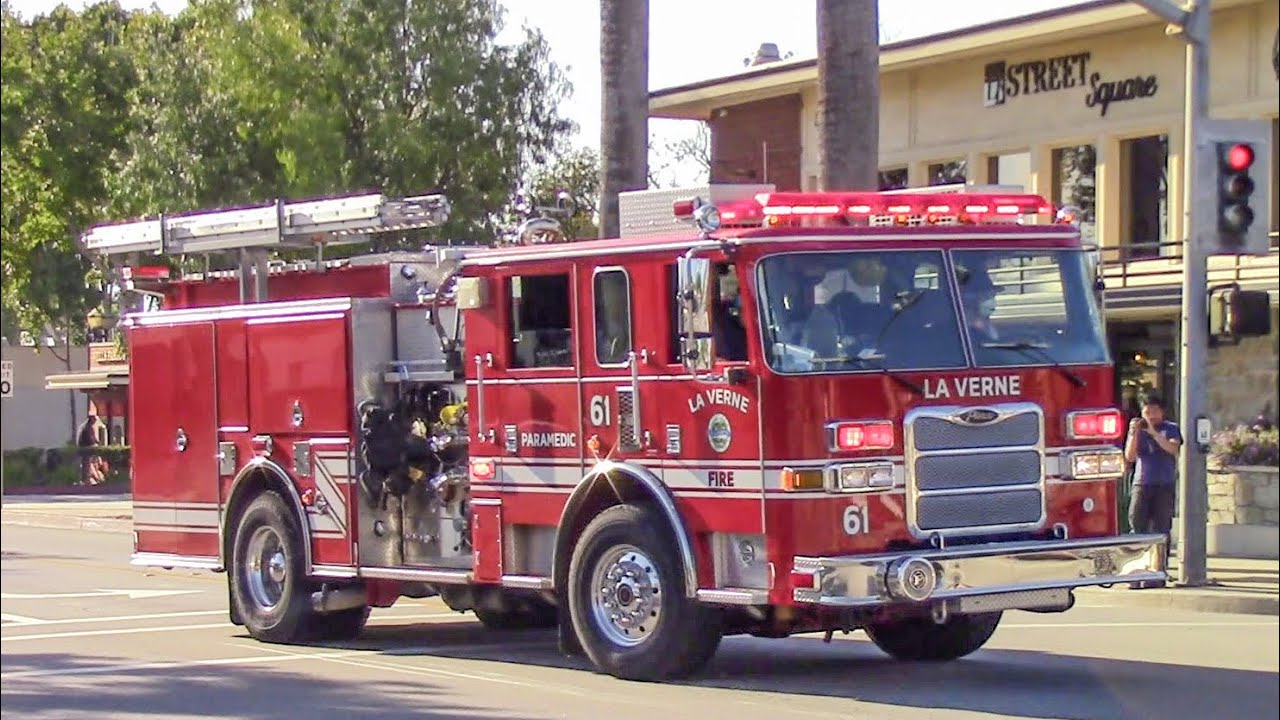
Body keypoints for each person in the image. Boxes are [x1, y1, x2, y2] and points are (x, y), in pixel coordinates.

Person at [1123, 395, 1182, 588]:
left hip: (1163, 484)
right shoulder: (1139, 430)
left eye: (1154, 412)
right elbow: (1130, 456)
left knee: (1161, 529)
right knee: (1136, 527)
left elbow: (1172, 448)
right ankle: (1136, 573)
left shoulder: (1170, 428)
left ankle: (1157, 573)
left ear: (1162, 411)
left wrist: (1154, 433)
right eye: (1147, 412)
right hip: (1142, 483)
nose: (1151, 416)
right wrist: (1134, 434)